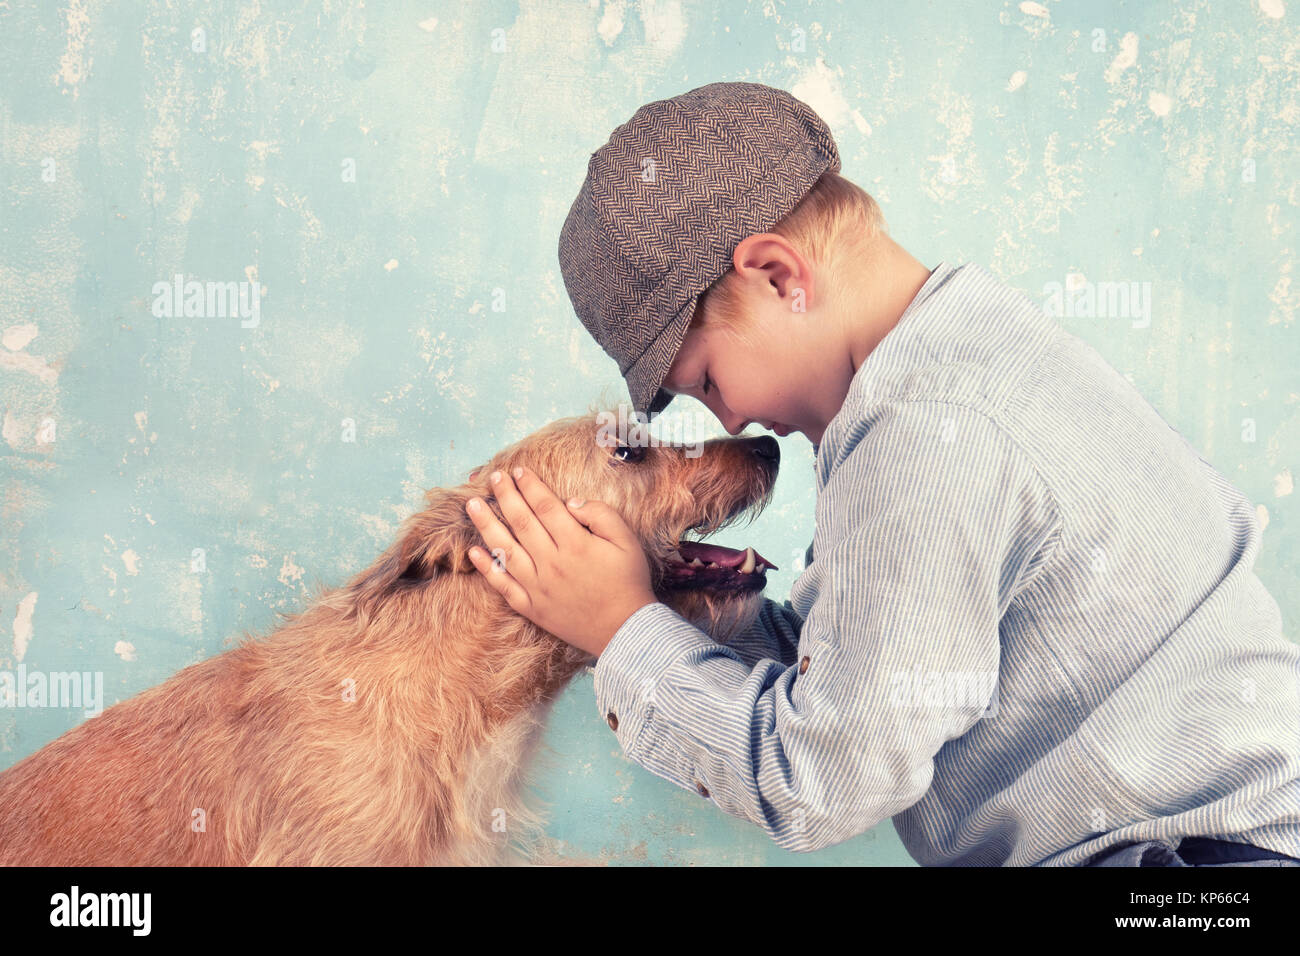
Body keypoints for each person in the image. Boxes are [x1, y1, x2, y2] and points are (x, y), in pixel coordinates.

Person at [462, 82, 1300, 866]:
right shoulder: (957, 364)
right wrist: (660, 591)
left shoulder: (927, 437)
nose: (727, 423)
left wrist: (621, 628)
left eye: (709, 382)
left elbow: (821, 779)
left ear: (780, 277)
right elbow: (855, 678)